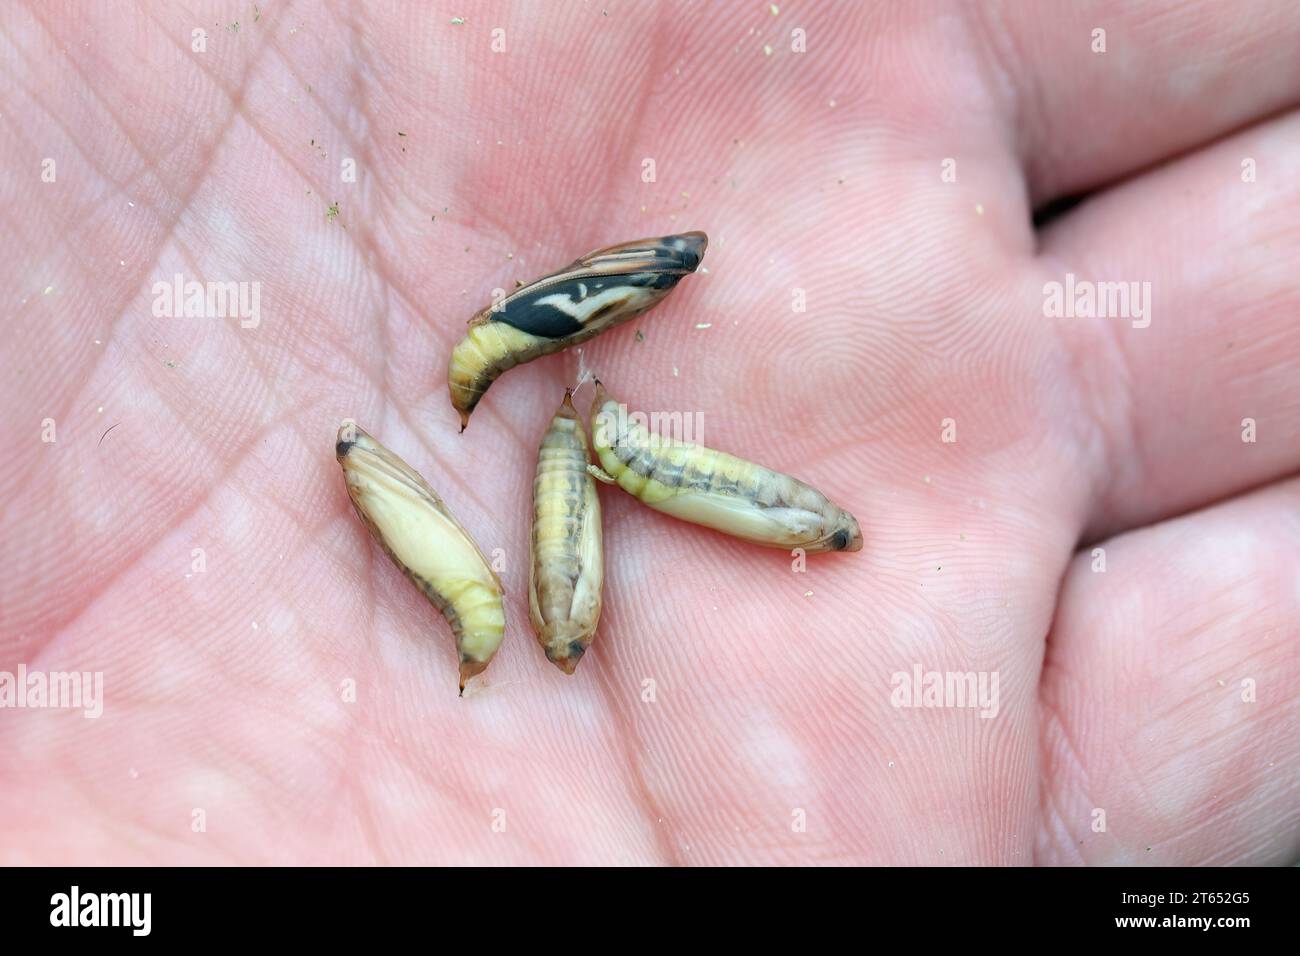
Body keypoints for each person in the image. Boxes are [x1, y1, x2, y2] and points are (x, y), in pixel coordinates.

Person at [1, 2, 1296, 865]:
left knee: (574, 496)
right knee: (547, 515)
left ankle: (582, 483)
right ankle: (576, 491)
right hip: (557, 441)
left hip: (566, 439)